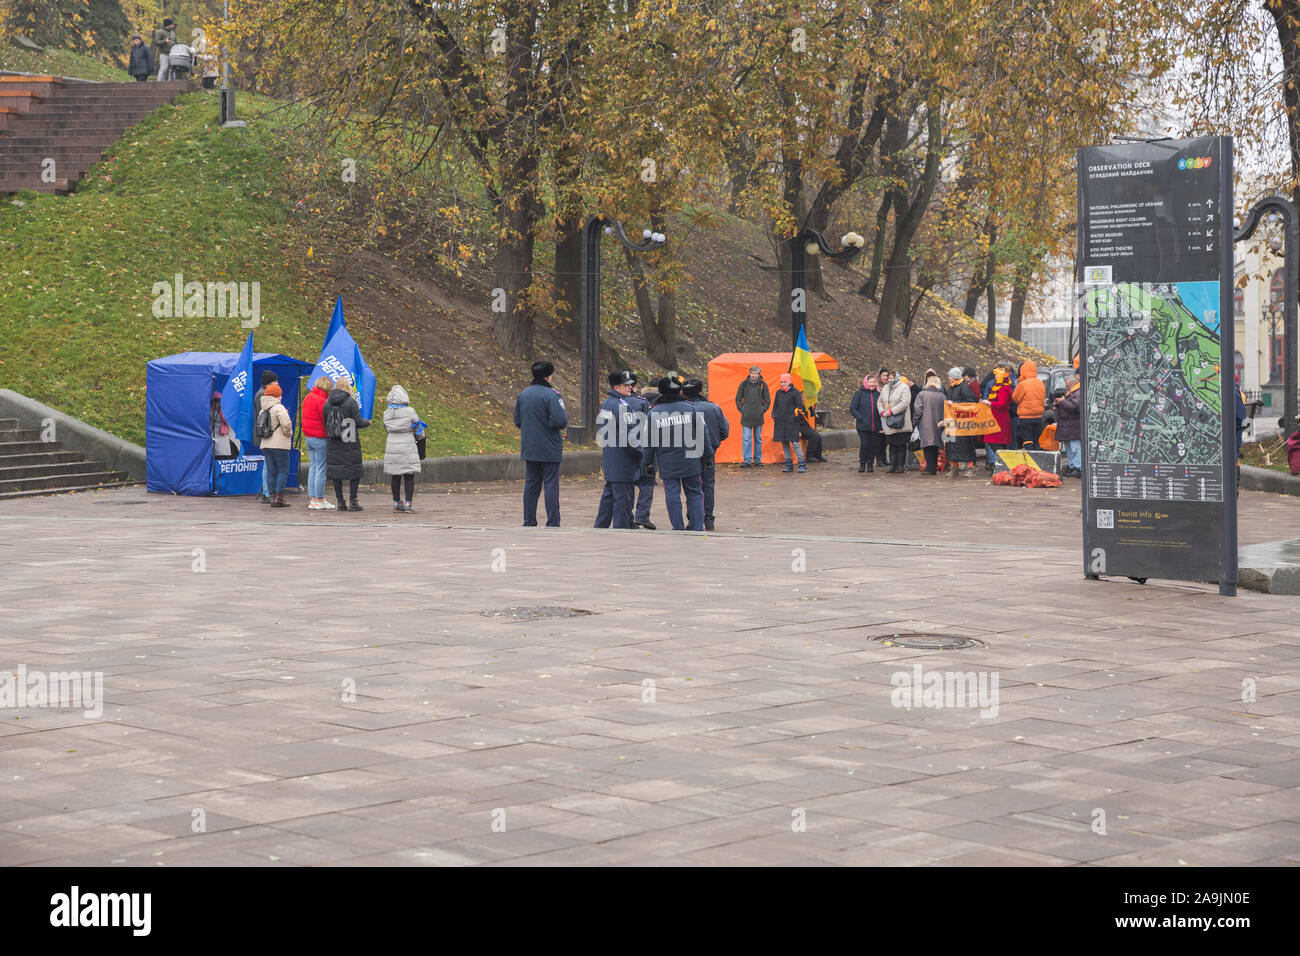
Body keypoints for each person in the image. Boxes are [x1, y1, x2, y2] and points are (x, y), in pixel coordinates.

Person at [644, 376, 705, 530]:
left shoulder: (654, 412)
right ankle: (697, 527)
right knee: (695, 493)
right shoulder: (690, 408)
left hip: (667, 461)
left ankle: (677, 527)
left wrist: (647, 462)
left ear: (661, 391)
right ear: (679, 390)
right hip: (691, 458)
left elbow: (648, 441)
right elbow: (703, 433)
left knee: (672, 493)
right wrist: (708, 455)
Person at [513, 360, 568, 527]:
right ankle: (553, 521)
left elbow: (517, 420)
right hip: (549, 447)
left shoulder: (523, 394)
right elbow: (560, 421)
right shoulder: (552, 395)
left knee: (531, 484)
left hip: (530, 446)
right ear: (549, 376)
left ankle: (529, 520)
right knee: (551, 484)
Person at [595, 370, 646, 529]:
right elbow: (629, 435)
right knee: (623, 498)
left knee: (609, 494)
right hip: (623, 459)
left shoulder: (607, 403)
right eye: (626, 385)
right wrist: (640, 452)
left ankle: (600, 526)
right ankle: (622, 530)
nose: (630, 388)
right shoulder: (622, 406)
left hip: (611, 455)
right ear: (617, 387)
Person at [683, 379, 729, 531]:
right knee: (708, 485)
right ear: (700, 391)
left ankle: (693, 518)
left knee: (692, 487)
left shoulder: (682, 409)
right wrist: (714, 442)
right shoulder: (713, 408)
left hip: (688, 452)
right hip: (709, 452)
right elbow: (724, 431)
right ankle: (708, 518)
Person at [325, 376, 369, 511]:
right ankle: (353, 501)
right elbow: (359, 423)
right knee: (354, 472)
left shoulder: (327, 403)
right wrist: (368, 422)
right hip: (349, 441)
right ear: (347, 388)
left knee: (336, 472)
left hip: (333, 441)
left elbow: (325, 423)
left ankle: (340, 501)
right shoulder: (351, 402)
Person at [383, 384, 421, 513]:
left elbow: (385, 428)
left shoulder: (387, 413)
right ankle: (408, 503)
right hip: (407, 444)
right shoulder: (410, 411)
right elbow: (417, 428)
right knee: (409, 475)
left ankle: (396, 502)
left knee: (395, 475)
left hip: (392, 445)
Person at [301, 375, 334, 510]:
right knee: (321, 469)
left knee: (313, 467)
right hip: (320, 438)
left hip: (309, 437)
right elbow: (326, 420)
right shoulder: (322, 401)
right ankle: (320, 499)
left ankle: (313, 500)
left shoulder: (308, 397)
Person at [258, 382, 293, 508]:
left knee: (271, 472)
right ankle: (280, 498)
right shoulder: (279, 407)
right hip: (280, 445)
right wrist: (289, 434)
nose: (281, 397)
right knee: (283, 471)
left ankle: (272, 497)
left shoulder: (263, 409)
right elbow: (286, 424)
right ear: (275, 395)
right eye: (280, 395)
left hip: (266, 444)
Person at [630, 383, 658, 528]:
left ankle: (627, 516)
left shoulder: (628, 404)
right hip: (648, 450)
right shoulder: (655, 409)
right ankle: (642, 515)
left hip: (630, 450)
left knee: (628, 484)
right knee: (647, 485)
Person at [944, 367, 979, 477]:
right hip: (952, 422)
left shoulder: (964, 387)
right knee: (951, 445)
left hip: (963, 423)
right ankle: (954, 468)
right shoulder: (952, 387)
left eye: (949, 376)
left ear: (954, 377)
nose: (948, 378)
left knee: (965, 445)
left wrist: (954, 403)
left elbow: (970, 402)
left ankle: (970, 468)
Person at [877, 367, 913, 473]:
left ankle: (900, 465)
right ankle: (892, 465)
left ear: (897, 377)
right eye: (889, 378)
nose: (890, 380)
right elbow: (879, 401)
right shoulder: (885, 388)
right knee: (892, 444)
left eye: (892, 378)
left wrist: (891, 411)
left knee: (901, 444)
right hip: (889, 420)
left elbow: (905, 402)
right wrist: (882, 412)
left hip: (901, 420)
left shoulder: (904, 387)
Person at [735, 365, 770, 467]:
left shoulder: (763, 385)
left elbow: (767, 400)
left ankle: (758, 460)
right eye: (752, 373)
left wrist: (762, 410)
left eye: (755, 373)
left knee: (758, 438)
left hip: (758, 417)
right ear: (749, 374)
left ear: (759, 374)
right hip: (746, 416)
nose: (753, 375)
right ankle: (747, 460)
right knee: (746, 439)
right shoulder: (744, 384)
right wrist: (742, 410)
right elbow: (738, 399)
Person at [912, 373, 946, 475]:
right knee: (935, 446)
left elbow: (918, 410)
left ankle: (929, 469)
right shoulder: (942, 396)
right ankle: (933, 467)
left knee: (927, 446)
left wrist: (915, 422)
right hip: (939, 424)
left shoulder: (922, 394)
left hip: (925, 424)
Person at [771, 373, 806, 473]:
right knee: (784, 443)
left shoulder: (795, 393)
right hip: (780, 422)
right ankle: (788, 464)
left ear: (789, 382)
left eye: (784, 382)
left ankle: (801, 464)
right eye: (781, 382)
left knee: (795, 443)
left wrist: (794, 417)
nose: (783, 384)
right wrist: (773, 414)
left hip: (792, 422)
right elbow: (775, 405)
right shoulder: (779, 393)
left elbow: (800, 407)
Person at [251, 369, 277, 502]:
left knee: (269, 463)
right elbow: (265, 416)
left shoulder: (262, 394)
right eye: (274, 382)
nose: (277, 385)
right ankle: (267, 492)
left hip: (264, 434)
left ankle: (267, 492)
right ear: (268, 384)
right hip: (265, 434)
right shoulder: (262, 395)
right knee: (268, 463)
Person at [849, 374, 884, 472]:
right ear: (866, 383)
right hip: (863, 426)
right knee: (865, 444)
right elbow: (853, 408)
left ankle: (870, 464)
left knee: (873, 445)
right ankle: (862, 463)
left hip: (875, 425)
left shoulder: (878, 394)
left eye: (873, 382)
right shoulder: (859, 394)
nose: (872, 384)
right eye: (870, 382)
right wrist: (860, 418)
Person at [983, 366, 1014, 470]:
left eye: (996, 374)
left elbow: (1002, 403)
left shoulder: (1004, 388)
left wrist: (990, 403)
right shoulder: (1001, 386)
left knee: (996, 443)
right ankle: (1001, 467)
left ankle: (1001, 468)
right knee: (996, 443)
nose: (994, 376)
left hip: (1000, 419)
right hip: (997, 418)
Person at [1012, 359, 1046, 449]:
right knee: (1036, 440)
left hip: (1026, 417)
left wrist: (1020, 381)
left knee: (1027, 439)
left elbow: (1015, 398)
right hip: (1038, 416)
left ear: (1023, 371)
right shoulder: (1040, 383)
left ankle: (1029, 458)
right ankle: (1037, 458)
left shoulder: (1022, 384)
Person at [1055, 372, 1082, 478]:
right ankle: (1072, 467)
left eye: (1067, 385)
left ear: (1072, 384)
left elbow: (1075, 407)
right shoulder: (1073, 392)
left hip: (1073, 425)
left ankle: (1078, 467)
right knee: (1070, 448)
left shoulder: (1077, 392)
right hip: (1068, 426)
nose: (1066, 387)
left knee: (1075, 448)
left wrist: (1062, 402)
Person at [210, 391, 238, 460]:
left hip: (232, 441)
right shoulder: (210, 412)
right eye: (215, 401)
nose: (217, 403)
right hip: (219, 442)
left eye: (219, 401)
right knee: (220, 461)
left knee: (231, 461)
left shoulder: (228, 409)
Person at [153, 17, 176, 82]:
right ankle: (159, 82)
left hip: (173, 54)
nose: (173, 25)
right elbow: (156, 42)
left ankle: (171, 83)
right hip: (164, 53)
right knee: (164, 68)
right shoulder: (160, 32)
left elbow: (175, 42)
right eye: (172, 24)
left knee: (173, 69)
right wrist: (164, 41)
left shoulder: (173, 33)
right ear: (168, 25)